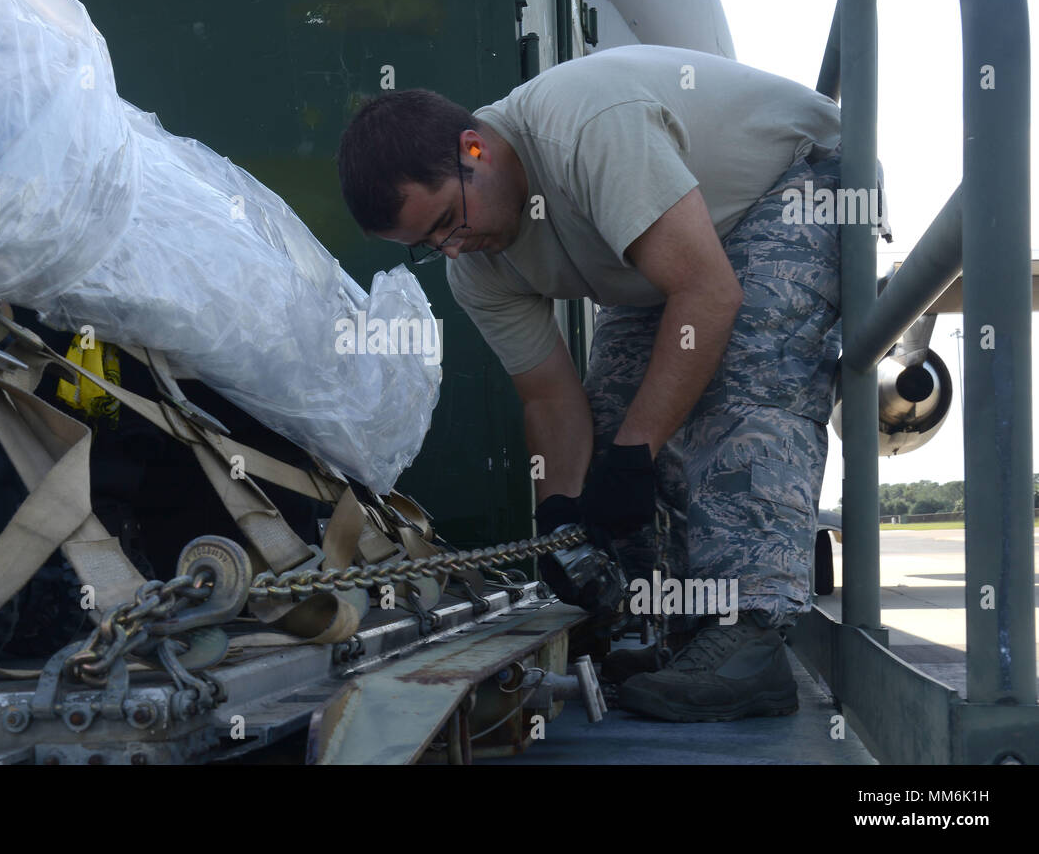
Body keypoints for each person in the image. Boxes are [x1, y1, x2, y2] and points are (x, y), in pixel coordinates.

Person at [335, 44, 868, 722]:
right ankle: (675, 628)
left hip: (794, 184)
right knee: (617, 404)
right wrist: (561, 518)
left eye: (446, 220)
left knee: (739, 380)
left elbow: (708, 293)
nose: (449, 249)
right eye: (426, 243)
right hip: (680, 252)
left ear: (474, 151)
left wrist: (638, 451)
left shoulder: (585, 130)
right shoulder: (475, 265)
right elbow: (550, 398)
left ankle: (752, 634)